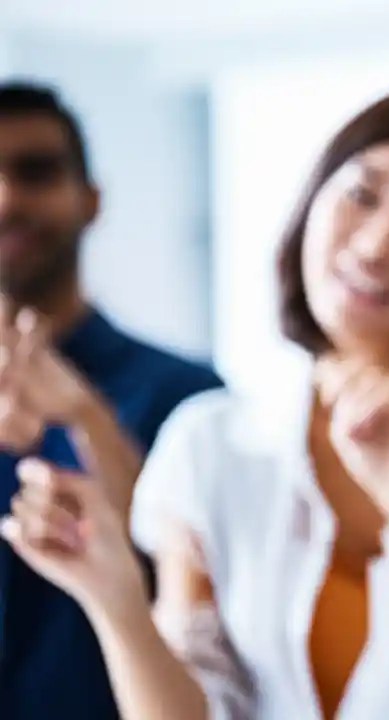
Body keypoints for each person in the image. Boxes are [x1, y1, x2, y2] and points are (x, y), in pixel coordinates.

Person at [1, 88, 389, 719]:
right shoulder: (209, 440)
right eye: (359, 196)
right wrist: (115, 601)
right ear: (311, 203)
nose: (374, 245)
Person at [0, 82, 223, 719]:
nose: (7, 197)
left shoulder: (192, 402)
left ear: (89, 201)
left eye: (35, 173)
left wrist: (82, 415)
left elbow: (206, 592)